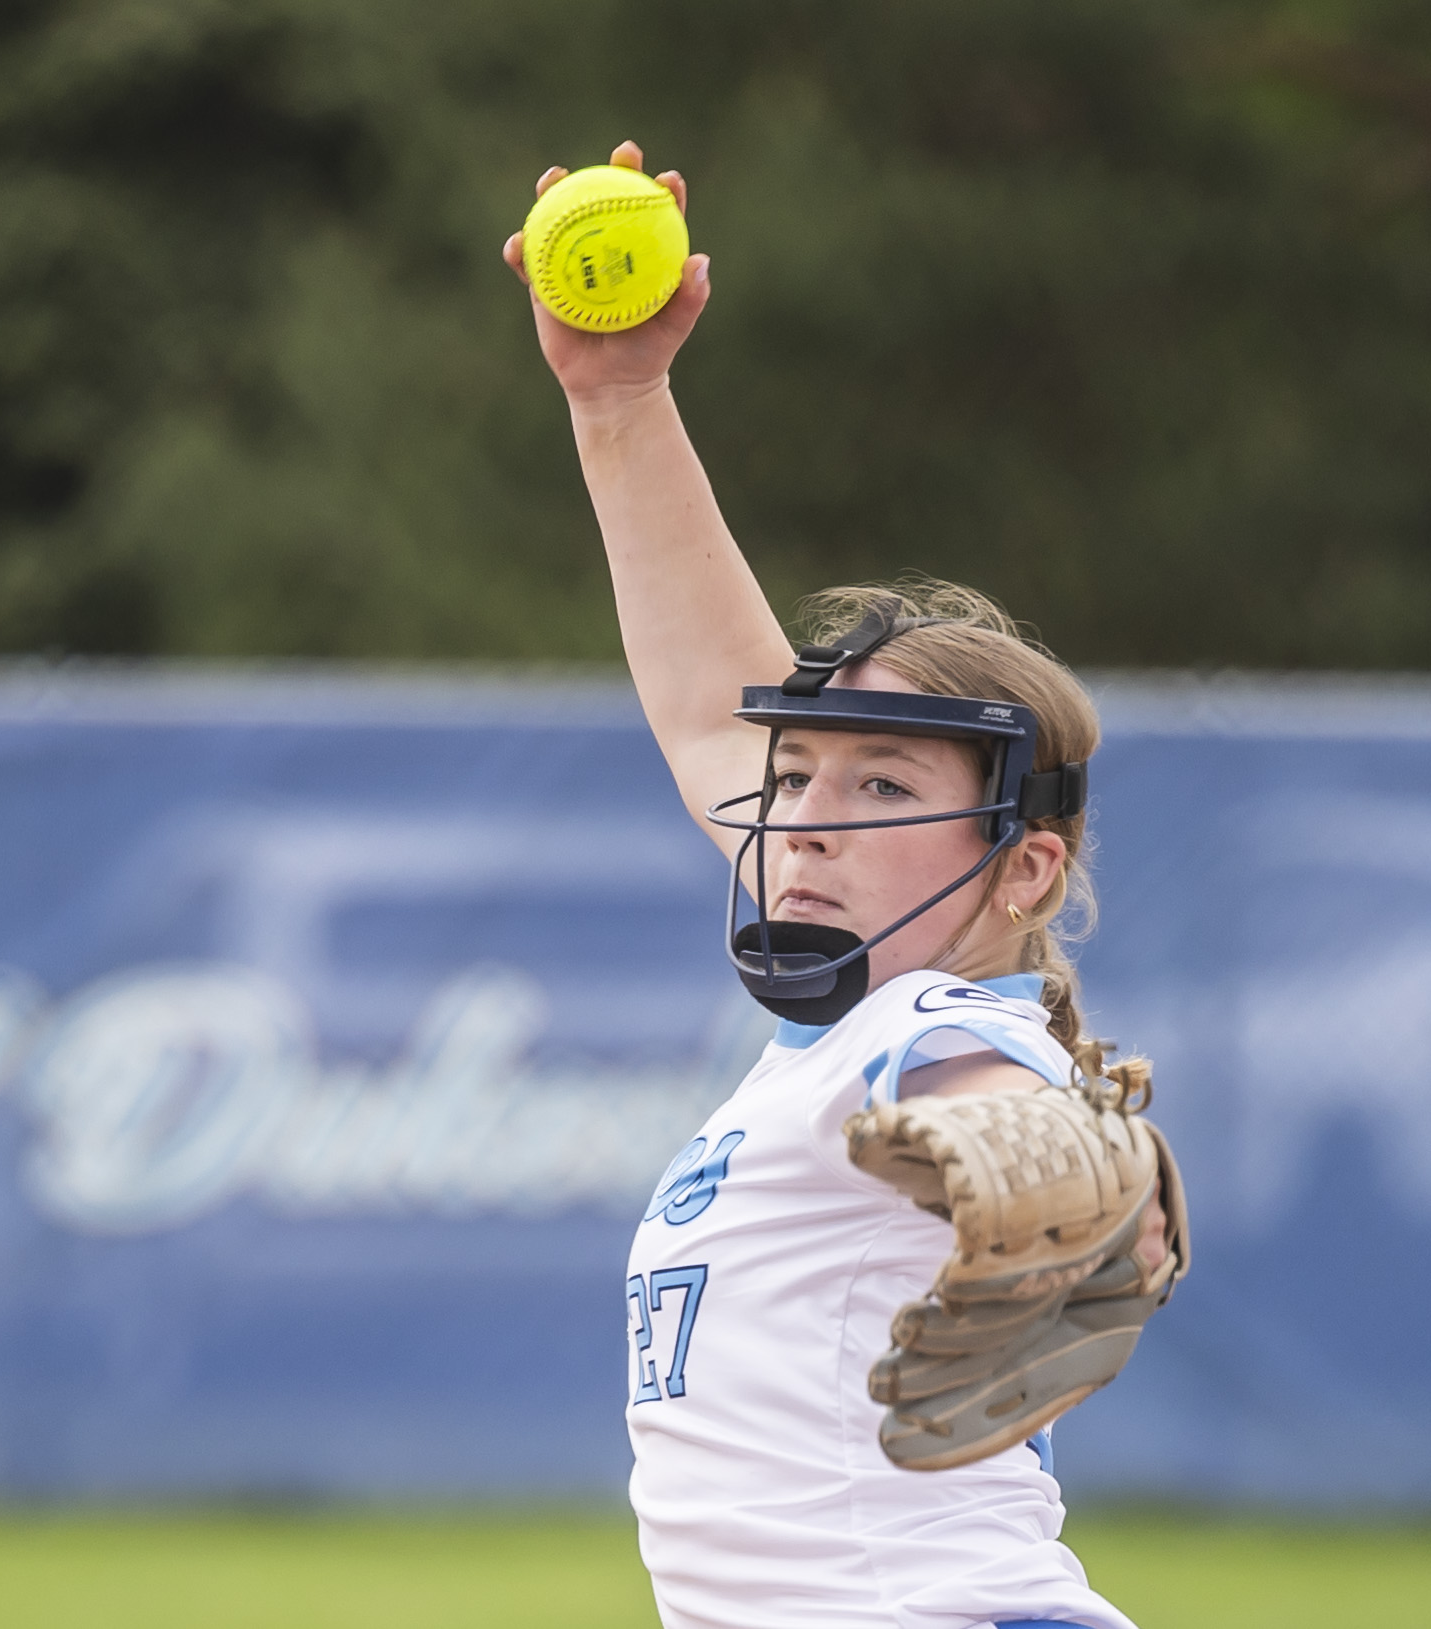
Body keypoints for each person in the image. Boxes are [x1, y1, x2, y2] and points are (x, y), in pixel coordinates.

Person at [505, 142, 1170, 1629]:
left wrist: (1056, 1158)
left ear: (1026, 865)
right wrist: (616, 402)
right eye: (799, 778)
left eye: (884, 785)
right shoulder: (824, 1052)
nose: (804, 820)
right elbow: (701, 715)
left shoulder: (928, 1024)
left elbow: (990, 1103)